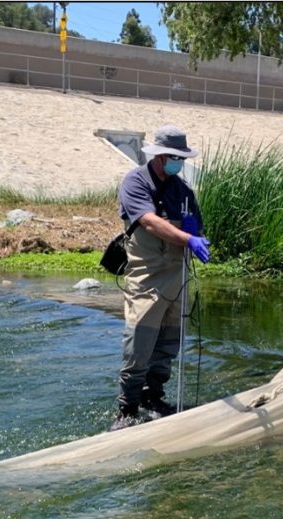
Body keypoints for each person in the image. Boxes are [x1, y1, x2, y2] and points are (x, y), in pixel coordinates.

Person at [111, 125, 212, 431]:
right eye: (174, 157)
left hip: (177, 276)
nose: (178, 162)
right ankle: (127, 409)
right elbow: (150, 222)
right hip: (147, 277)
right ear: (160, 155)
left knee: (168, 343)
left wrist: (197, 234)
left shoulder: (183, 191)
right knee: (138, 345)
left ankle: (154, 399)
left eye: (181, 157)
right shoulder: (135, 182)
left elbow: (196, 227)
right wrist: (187, 237)